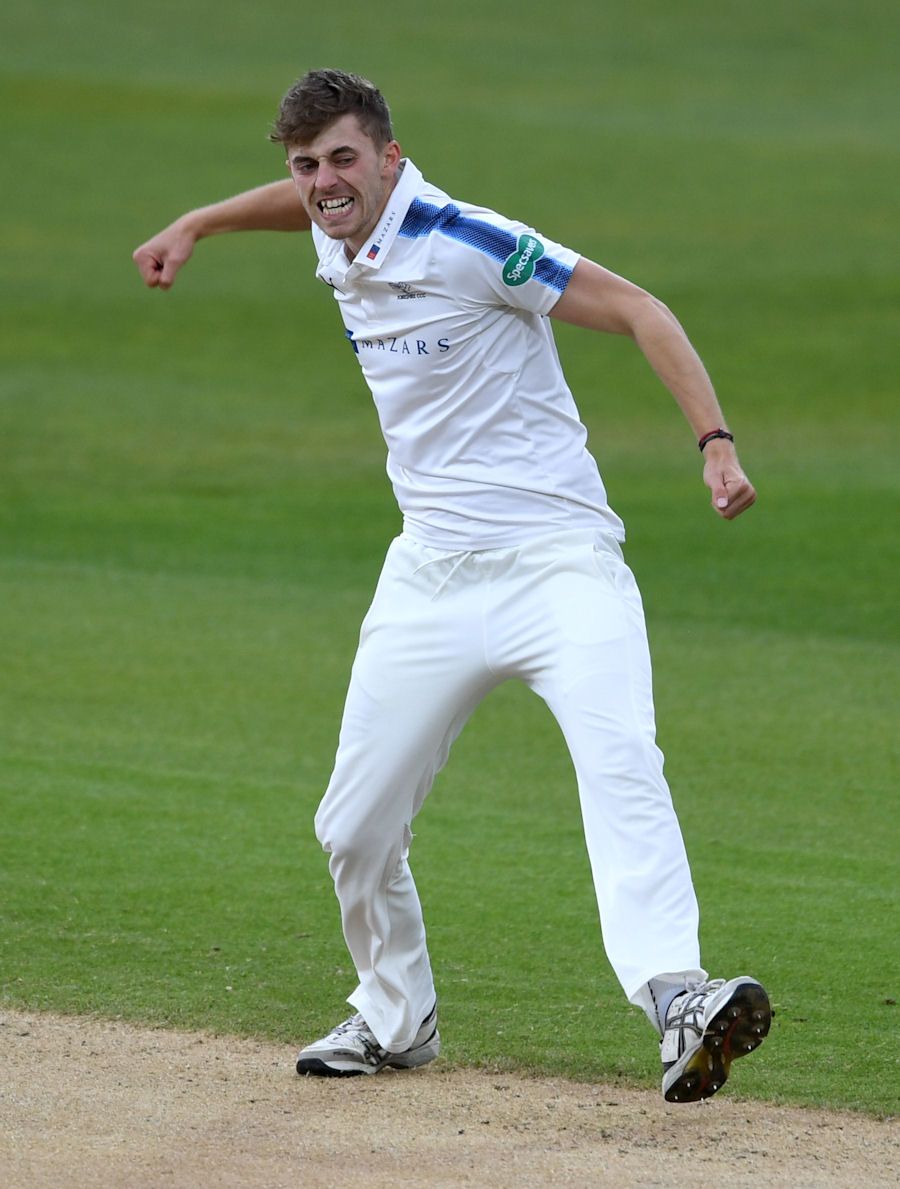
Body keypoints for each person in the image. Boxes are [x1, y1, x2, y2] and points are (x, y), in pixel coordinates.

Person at [133, 68, 770, 1104]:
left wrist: (715, 445)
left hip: (559, 563)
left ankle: (679, 997)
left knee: (621, 762)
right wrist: (198, 221)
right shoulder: (333, 226)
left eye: (344, 159)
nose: (323, 184)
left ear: (390, 156)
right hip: (428, 574)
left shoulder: (473, 240)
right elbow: (289, 205)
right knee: (352, 828)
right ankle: (396, 1016)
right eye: (306, 167)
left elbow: (642, 309)